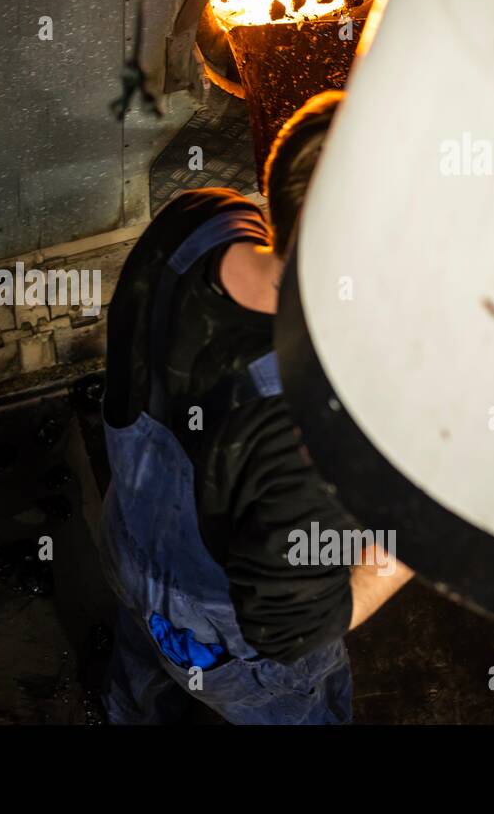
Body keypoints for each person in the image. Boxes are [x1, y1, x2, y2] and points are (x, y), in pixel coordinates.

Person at [98, 90, 413, 724]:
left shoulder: (201, 217)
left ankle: (124, 712)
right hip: (223, 633)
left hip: (127, 539)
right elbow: (293, 626)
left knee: (141, 672)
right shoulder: (312, 429)